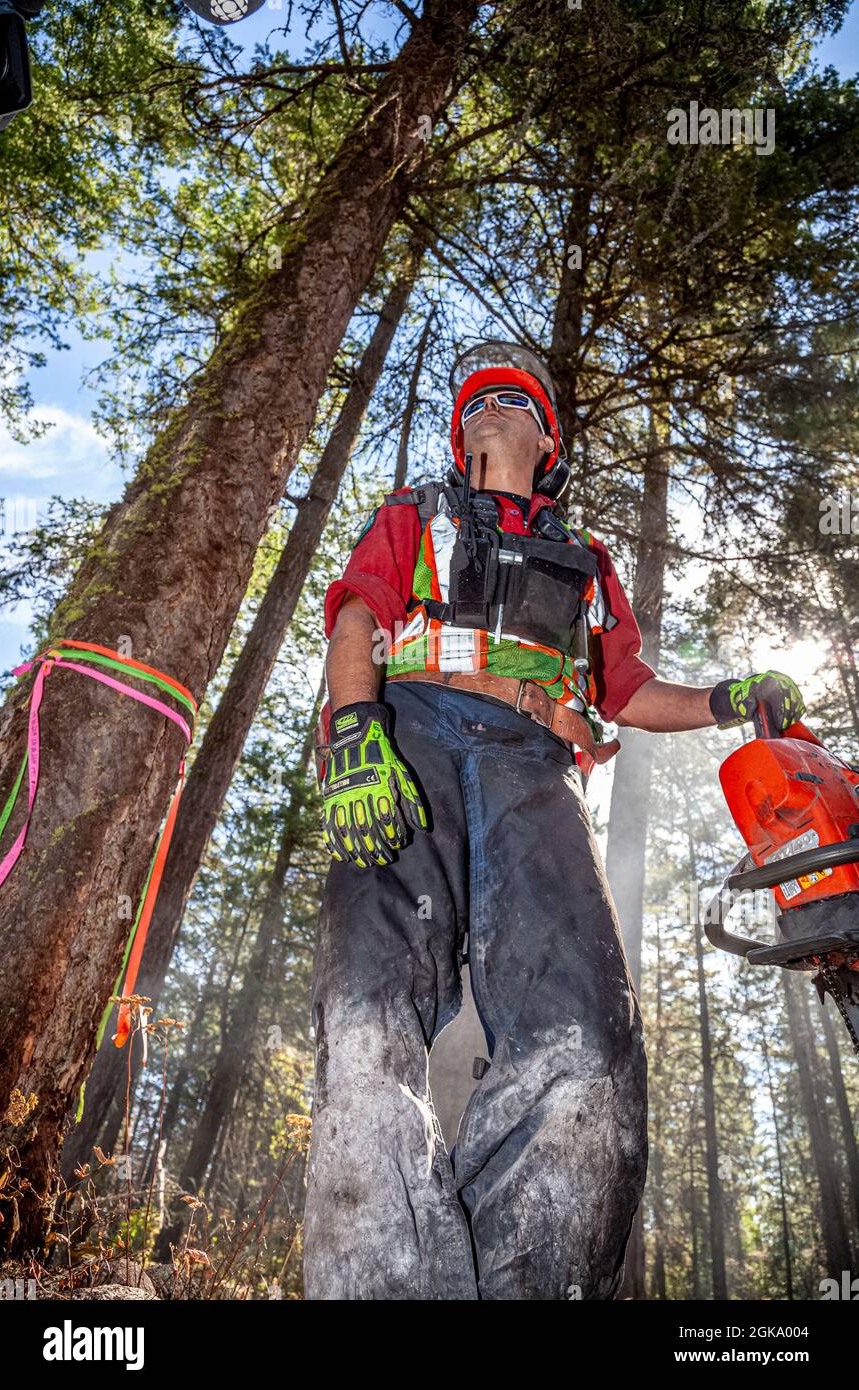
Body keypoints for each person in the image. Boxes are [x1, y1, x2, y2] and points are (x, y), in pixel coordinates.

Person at [303, 340, 804, 1300]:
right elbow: (357, 617)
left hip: (537, 764)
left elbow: (631, 690)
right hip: (411, 733)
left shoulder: (588, 562)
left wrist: (732, 697)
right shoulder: (416, 514)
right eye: (473, 400)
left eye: (510, 399)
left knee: (585, 1029)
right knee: (369, 1006)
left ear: (546, 438)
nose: (485, 407)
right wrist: (356, 732)